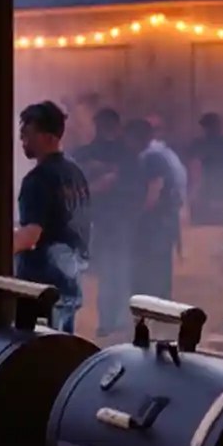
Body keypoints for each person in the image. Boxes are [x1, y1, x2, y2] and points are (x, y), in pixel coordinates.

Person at [13, 101, 91, 332]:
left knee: (40, 356)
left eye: (28, 133)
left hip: (41, 288)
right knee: (62, 354)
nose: (22, 140)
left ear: (48, 137)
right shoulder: (76, 174)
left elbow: (30, 236)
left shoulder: (38, 179)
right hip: (70, 281)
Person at [72, 108, 139, 337]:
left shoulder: (124, 156)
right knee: (107, 271)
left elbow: (134, 190)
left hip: (112, 220)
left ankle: (112, 321)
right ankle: (109, 321)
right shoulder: (119, 155)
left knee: (113, 271)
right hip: (100, 219)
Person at [126, 118, 182, 299]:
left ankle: (157, 315)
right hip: (160, 225)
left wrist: (137, 216)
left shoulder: (151, 157)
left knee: (153, 275)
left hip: (155, 226)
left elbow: (155, 190)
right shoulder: (158, 155)